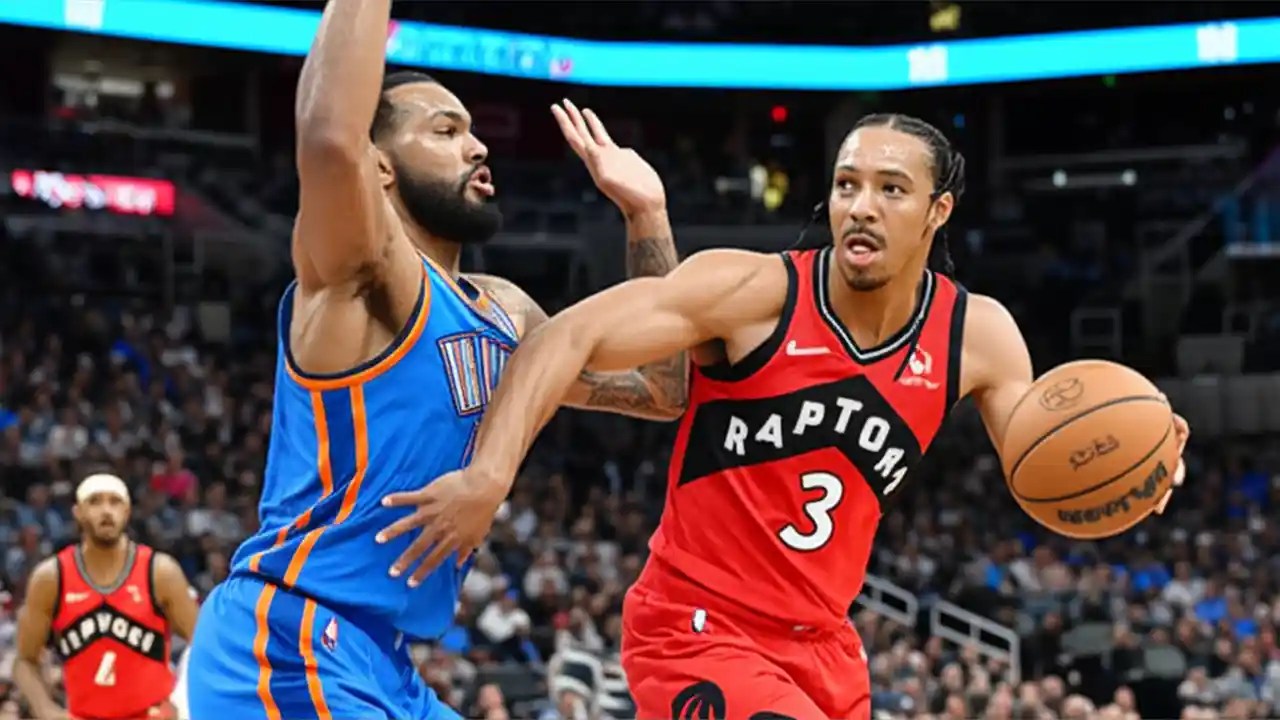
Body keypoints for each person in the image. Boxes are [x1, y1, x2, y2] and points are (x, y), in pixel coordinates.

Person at [378, 113, 1192, 719]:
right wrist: (491, 473)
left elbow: (1037, 455)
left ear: (938, 212)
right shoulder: (756, 292)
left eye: (890, 189)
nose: (860, 207)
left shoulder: (976, 334)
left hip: (827, 651)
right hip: (697, 626)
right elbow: (569, 336)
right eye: (846, 185)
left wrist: (1135, 471)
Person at [184, 0, 685, 717]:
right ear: (380, 169)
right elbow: (329, 139)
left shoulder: (504, 310)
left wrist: (646, 215)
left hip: (382, 658)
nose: (477, 146)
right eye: (446, 131)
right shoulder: (367, 279)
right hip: (289, 637)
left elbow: (664, 391)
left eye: (474, 131)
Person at [13, 473, 199, 720]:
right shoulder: (51, 577)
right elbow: (25, 661)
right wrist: (46, 710)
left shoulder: (160, 572)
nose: (106, 510)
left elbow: (204, 645)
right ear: (78, 512)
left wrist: (181, 702)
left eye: (115, 502)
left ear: (128, 511)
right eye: (95, 501)